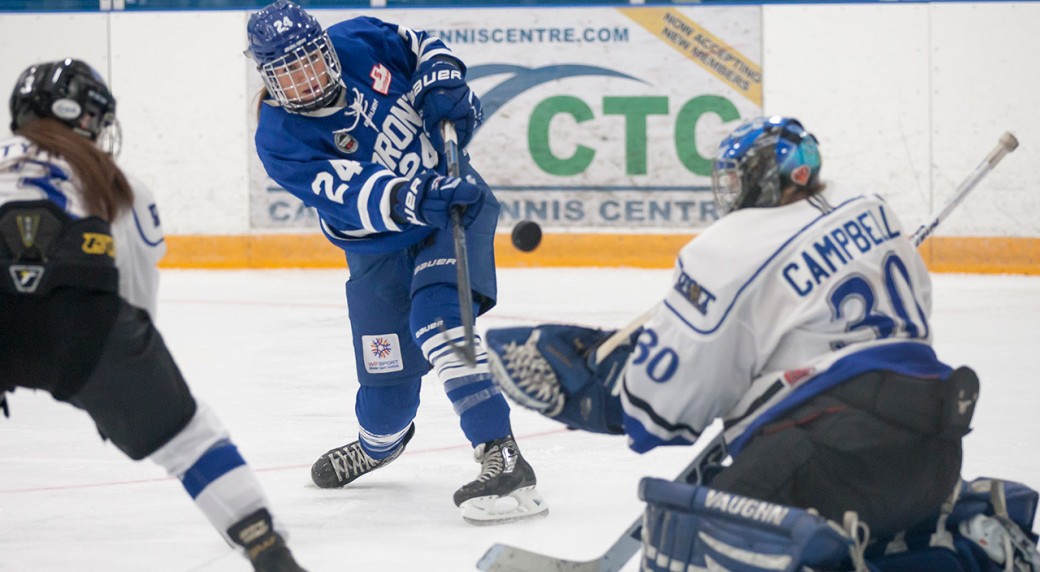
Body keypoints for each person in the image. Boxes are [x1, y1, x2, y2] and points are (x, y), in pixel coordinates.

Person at [484, 116, 982, 540]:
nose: (730, 192)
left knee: (689, 538)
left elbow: (667, 411)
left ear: (775, 176)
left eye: (739, 177)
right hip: (936, 451)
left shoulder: (724, 248)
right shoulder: (874, 212)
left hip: (829, 461)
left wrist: (610, 392)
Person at [244, 0, 546, 524]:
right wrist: (413, 193)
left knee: (438, 324)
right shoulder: (279, 138)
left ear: (325, 48)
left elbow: (419, 43)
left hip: (454, 209)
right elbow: (351, 192)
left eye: (310, 60)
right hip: (376, 250)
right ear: (268, 77)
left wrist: (443, 79)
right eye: (287, 73)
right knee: (387, 403)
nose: (306, 78)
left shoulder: (358, 40)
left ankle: (502, 452)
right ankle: (380, 446)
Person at [0, 58, 307, 572]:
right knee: (189, 439)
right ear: (83, 118)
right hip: (82, 325)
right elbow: (136, 298)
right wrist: (130, 377)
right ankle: (265, 546)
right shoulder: (117, 182)